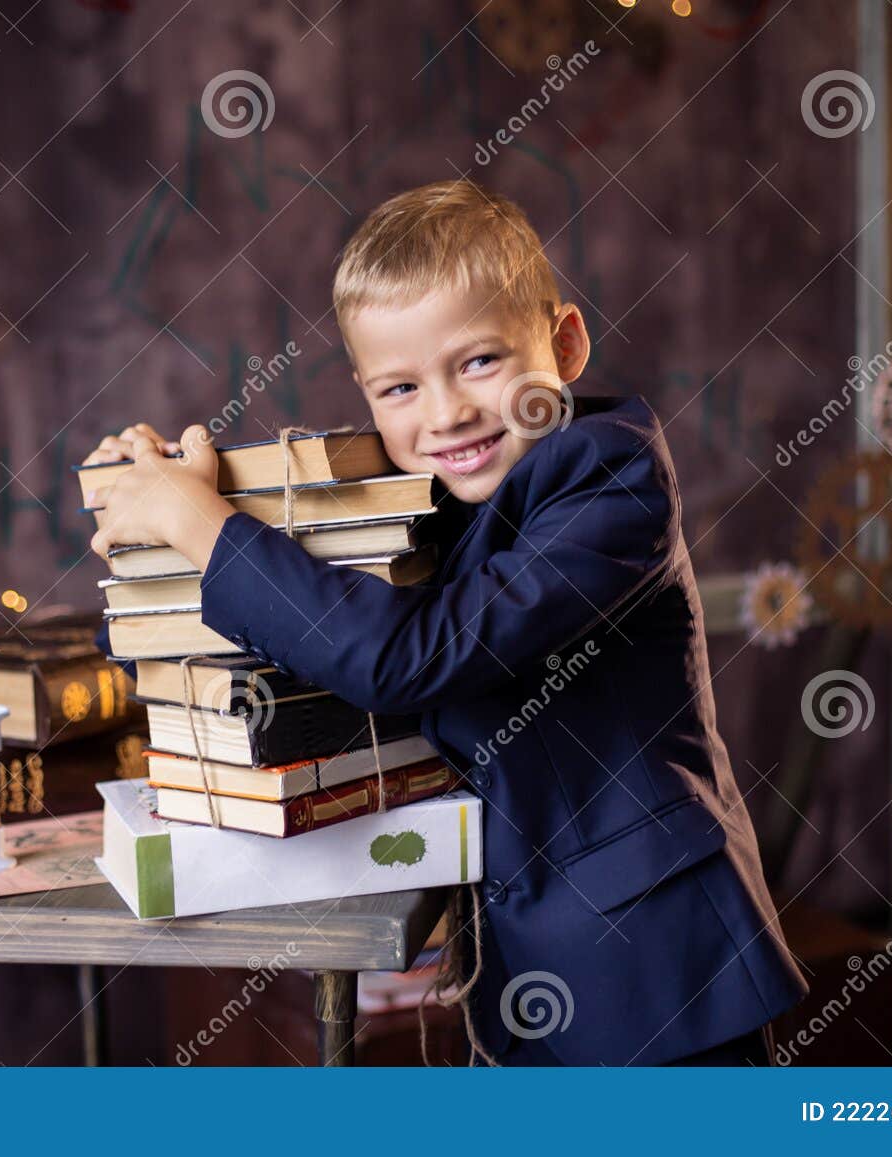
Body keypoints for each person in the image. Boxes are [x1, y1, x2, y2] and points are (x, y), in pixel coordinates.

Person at [85, 179, 808, 1065]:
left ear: (566, 344)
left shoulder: (607, 481)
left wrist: (197, 524)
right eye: (399, 387)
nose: (446, 413)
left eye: (480, 362)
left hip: (658, 976)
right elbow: (278, 634)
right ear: (365, 392)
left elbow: (402, 659)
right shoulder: (422, 500)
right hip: (532, 973)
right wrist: (153, 524)